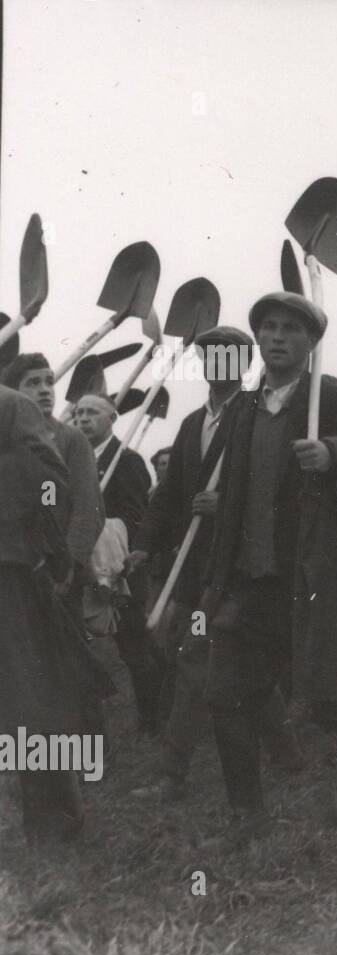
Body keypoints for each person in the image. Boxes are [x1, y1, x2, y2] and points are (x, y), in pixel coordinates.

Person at [202, 291, 337, 846]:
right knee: (225, 696)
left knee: (335, 703)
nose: (278, 336)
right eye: (269, 327)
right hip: (251, 582)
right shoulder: (243, 408)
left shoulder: (328, 399)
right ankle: (248, 815)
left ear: (311, 343)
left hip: (311, 583)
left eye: (291, 328)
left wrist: (336, 457)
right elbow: (237, 490)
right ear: (258, 338)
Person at [124, 326, 299, 802]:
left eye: (229, 356)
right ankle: (287, 752)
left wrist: (226, 504)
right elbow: (168, 498)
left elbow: (271, 491)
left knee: (196, 660)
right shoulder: (189, 425)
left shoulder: (256, 415)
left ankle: (170, 772)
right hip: (191, 564)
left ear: (245, 364)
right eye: (210, 356)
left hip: (236, 566)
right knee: (234, 665)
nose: (217, 364)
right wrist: (143, 544)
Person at [0, 384, 108, 841]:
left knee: (29, 696)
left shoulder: (10, 406)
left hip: (10, 570)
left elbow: (50, 483)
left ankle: (57, 820)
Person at [74, 392, 166, 733]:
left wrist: (106, 530)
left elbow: (137, 514)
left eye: (92, 413)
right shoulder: (74, 460)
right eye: (79, 412)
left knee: (132, 643)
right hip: (90, 565)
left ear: (111, 419)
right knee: (135, 640)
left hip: (121, 563)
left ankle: (152, 721)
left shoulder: (125, 459)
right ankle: (171, 691)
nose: (83, 418)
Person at [2, 353, 105, 632]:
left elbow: (87, 509)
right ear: (14, 393)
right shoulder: (8, 439)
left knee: (65, 657)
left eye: (49, 381)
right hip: (15, 567)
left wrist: (68, 567)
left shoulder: (71, 439)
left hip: (57, 571)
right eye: (33, 383)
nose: (45, 389)